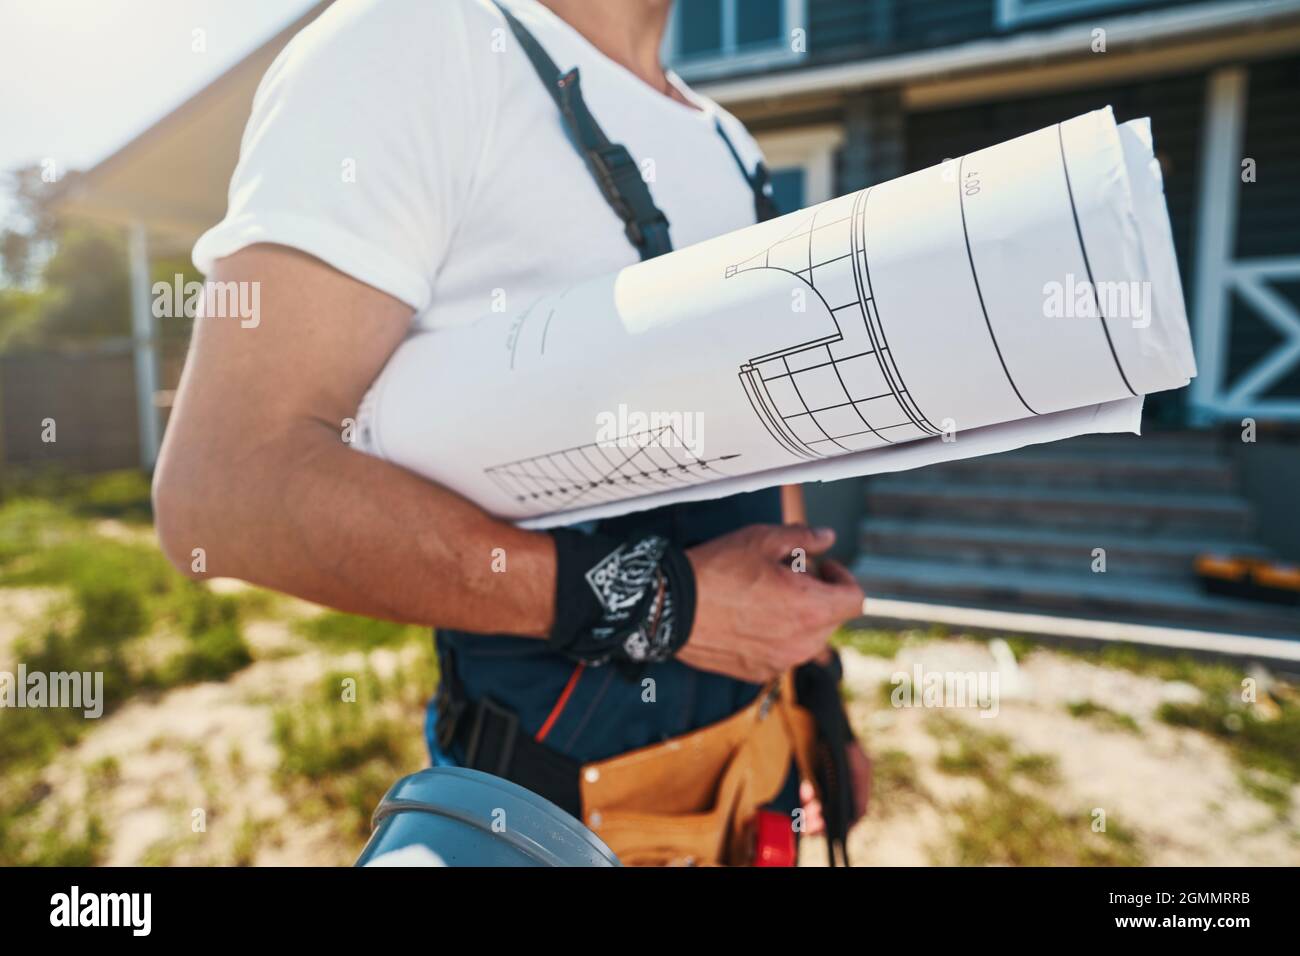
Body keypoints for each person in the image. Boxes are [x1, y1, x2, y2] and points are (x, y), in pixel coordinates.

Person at [154, 0, 870, 866]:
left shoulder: (730, 144)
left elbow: (762, 446)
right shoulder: (413, 44)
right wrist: (665, 607)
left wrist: (818, 696)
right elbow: (226, 491)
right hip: (548, 813)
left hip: (755, 770)